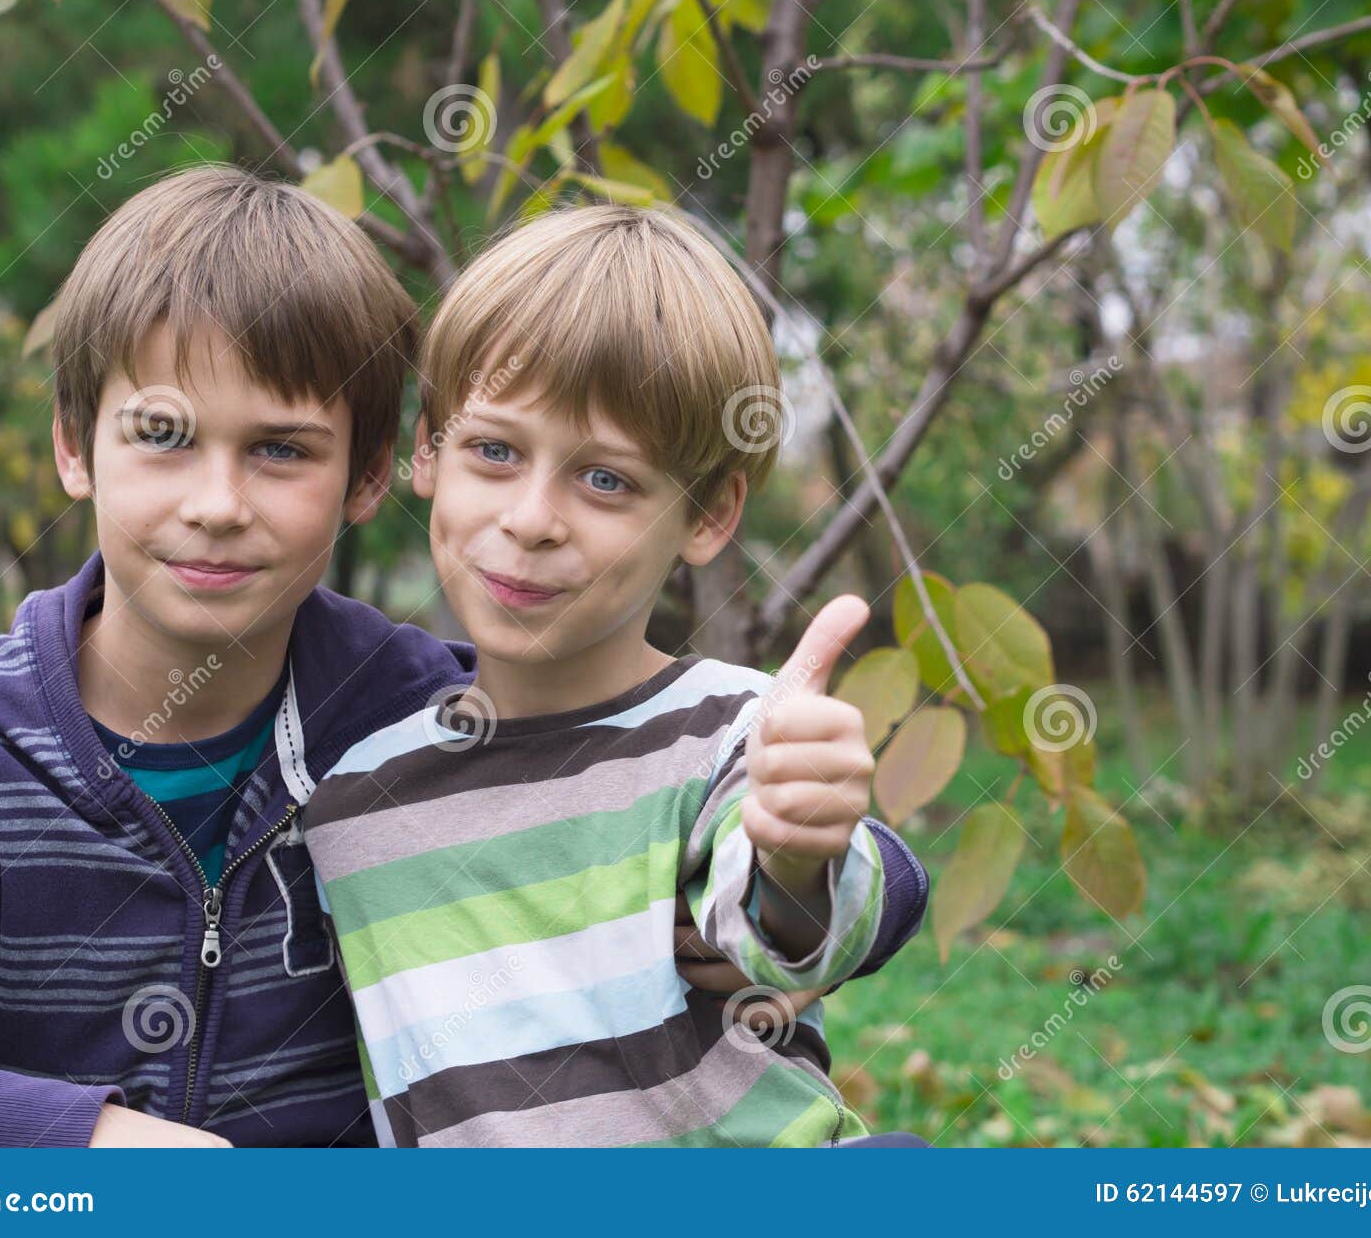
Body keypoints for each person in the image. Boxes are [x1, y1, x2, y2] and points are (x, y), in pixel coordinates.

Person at [0, 167, 926, 1148]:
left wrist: (795, 869)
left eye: (281, 451)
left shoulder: (419, 714)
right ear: (72, 443)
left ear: (371, 477)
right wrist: (74, 1140)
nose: (215, 505)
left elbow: (718, 803)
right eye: (161, 434)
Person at [306, 204, 924, 1147]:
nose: (532, 519)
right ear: (427, 450)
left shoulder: (727, 734)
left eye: (606, 481)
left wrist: (800, 851)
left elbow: (786, 921)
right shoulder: (350, 797)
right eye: (495, 452)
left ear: (710, 514)